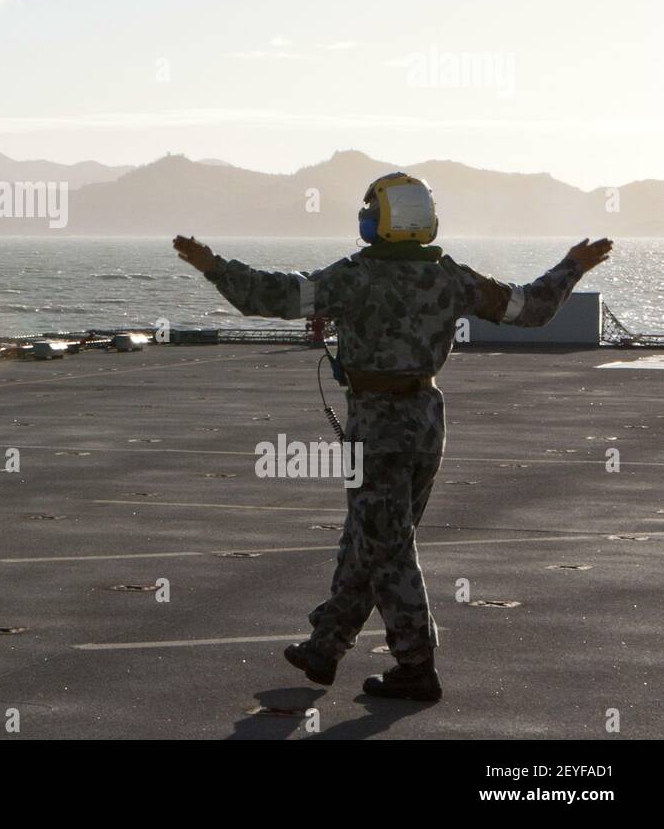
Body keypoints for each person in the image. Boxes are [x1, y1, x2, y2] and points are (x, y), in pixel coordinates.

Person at [173, 172, 612, 701]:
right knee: (372, 539)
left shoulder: (356, 277)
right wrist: (572, 266)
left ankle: (415, 664)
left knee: (387, 546)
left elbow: (280, 296)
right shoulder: (452, 278)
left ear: (381, 222)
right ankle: (325, 646)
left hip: (377, 423)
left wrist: (214, 267)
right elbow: (529, 308)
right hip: (427, 419)